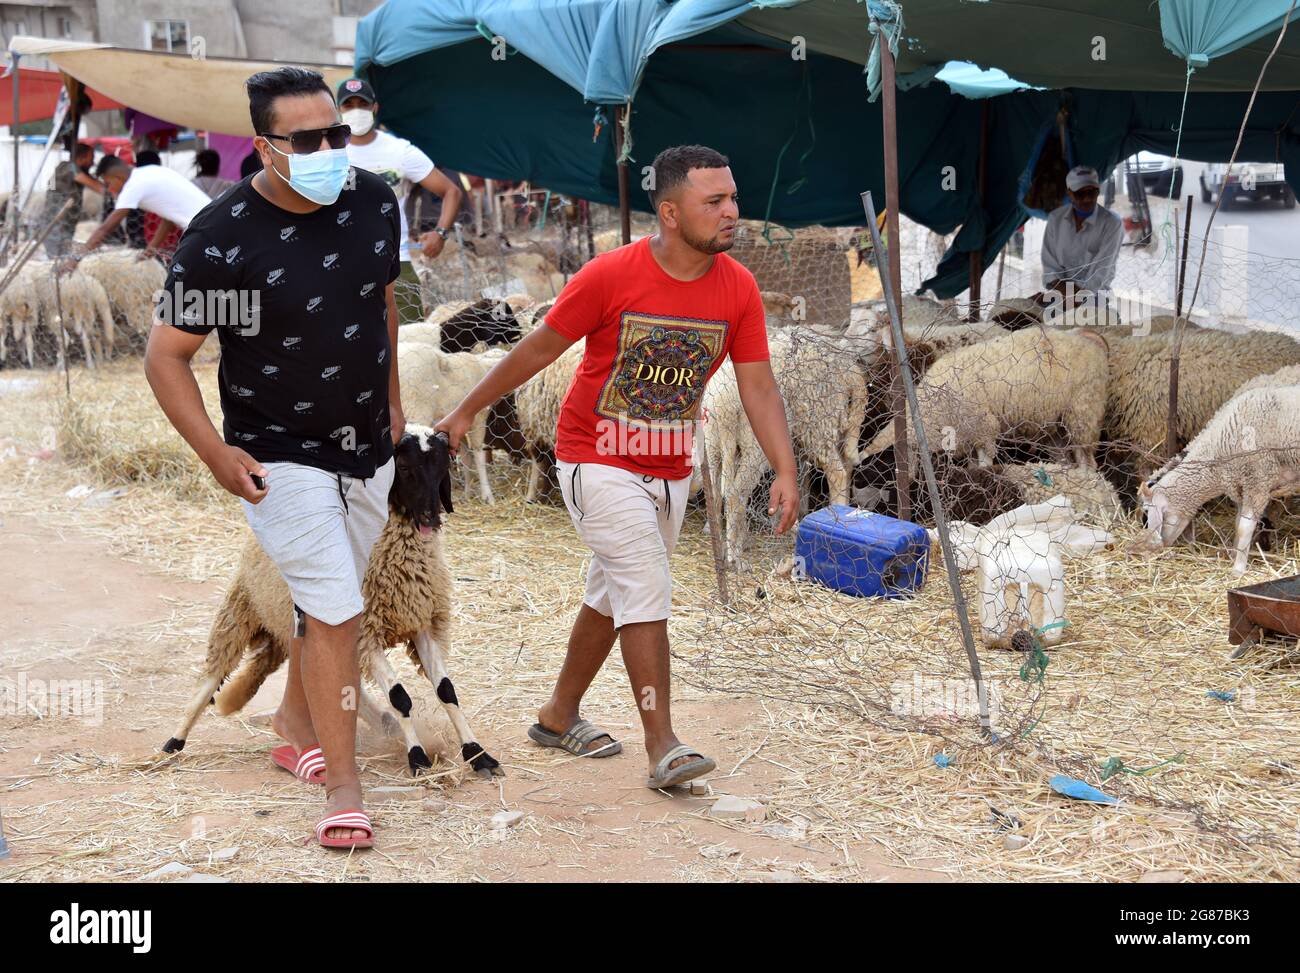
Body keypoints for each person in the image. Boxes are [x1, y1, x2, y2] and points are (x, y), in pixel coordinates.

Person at [436, 144, 798, 790]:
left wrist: (786, 469)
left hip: (670, 466)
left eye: (733, 198)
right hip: (593, 457)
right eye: (713, 201)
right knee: (644, 582)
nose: (731, 213)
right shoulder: (609, 276)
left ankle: (556, 714)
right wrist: (466, 409)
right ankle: (662, 743)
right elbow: (540, 348)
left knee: (613, 591)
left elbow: (760, 387)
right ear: (668, 211)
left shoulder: (737, 287)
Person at [144, 66, 405, 850]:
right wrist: (215, 452)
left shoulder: (372, 200)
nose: (332, 149)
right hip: (275, 452)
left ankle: (294, 724)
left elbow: (380, 298)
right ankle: (344, 786)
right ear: (264, 145)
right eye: (309, 139)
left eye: (338, 132)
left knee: (328, 601)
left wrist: (392, 400)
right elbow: (167, 357)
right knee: (337, 609)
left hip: (367, 445)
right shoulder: (223, 239)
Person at [336, 76, 462, 323]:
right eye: (348, 105)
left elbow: (451, 192)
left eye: (362, 104)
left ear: (375, 108)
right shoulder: (329, 154)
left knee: (407, 349)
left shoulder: (399, 151)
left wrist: (441, 233)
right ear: (338, 110)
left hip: (396, 265)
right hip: (343, 267)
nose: (356, 111)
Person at [66, 154, 211, 268]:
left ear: (117, 177)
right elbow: (169, 218)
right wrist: (150, 250)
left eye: (109, 183)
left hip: (204, 231)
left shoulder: (133, 187)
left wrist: (75, 259)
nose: (109, 189)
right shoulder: (150, 172)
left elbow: (105, 229)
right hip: (213, 220)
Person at [1039, 165, 1124, 311]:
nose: (1087, 199)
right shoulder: (1055, 219)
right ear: (1069, 193)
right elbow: (1050, 268)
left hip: (1094, 296)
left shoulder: (1112, 223)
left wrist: (1074, 298)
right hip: (1060, 293)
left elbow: (1100, 273)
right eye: (1080, 194)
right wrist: (1063, 293)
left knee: (1085, 326)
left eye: (1092, 193)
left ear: (1098, 191)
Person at [40, 142, 101, 258]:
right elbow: (94, 185)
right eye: (91, 158)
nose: (93, 162)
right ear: (82, 157)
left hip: (65, 224)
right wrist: (114, 191)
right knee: (57, 258)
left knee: (62, 257)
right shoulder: (68, 167)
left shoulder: (74, 169)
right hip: (55, 224)